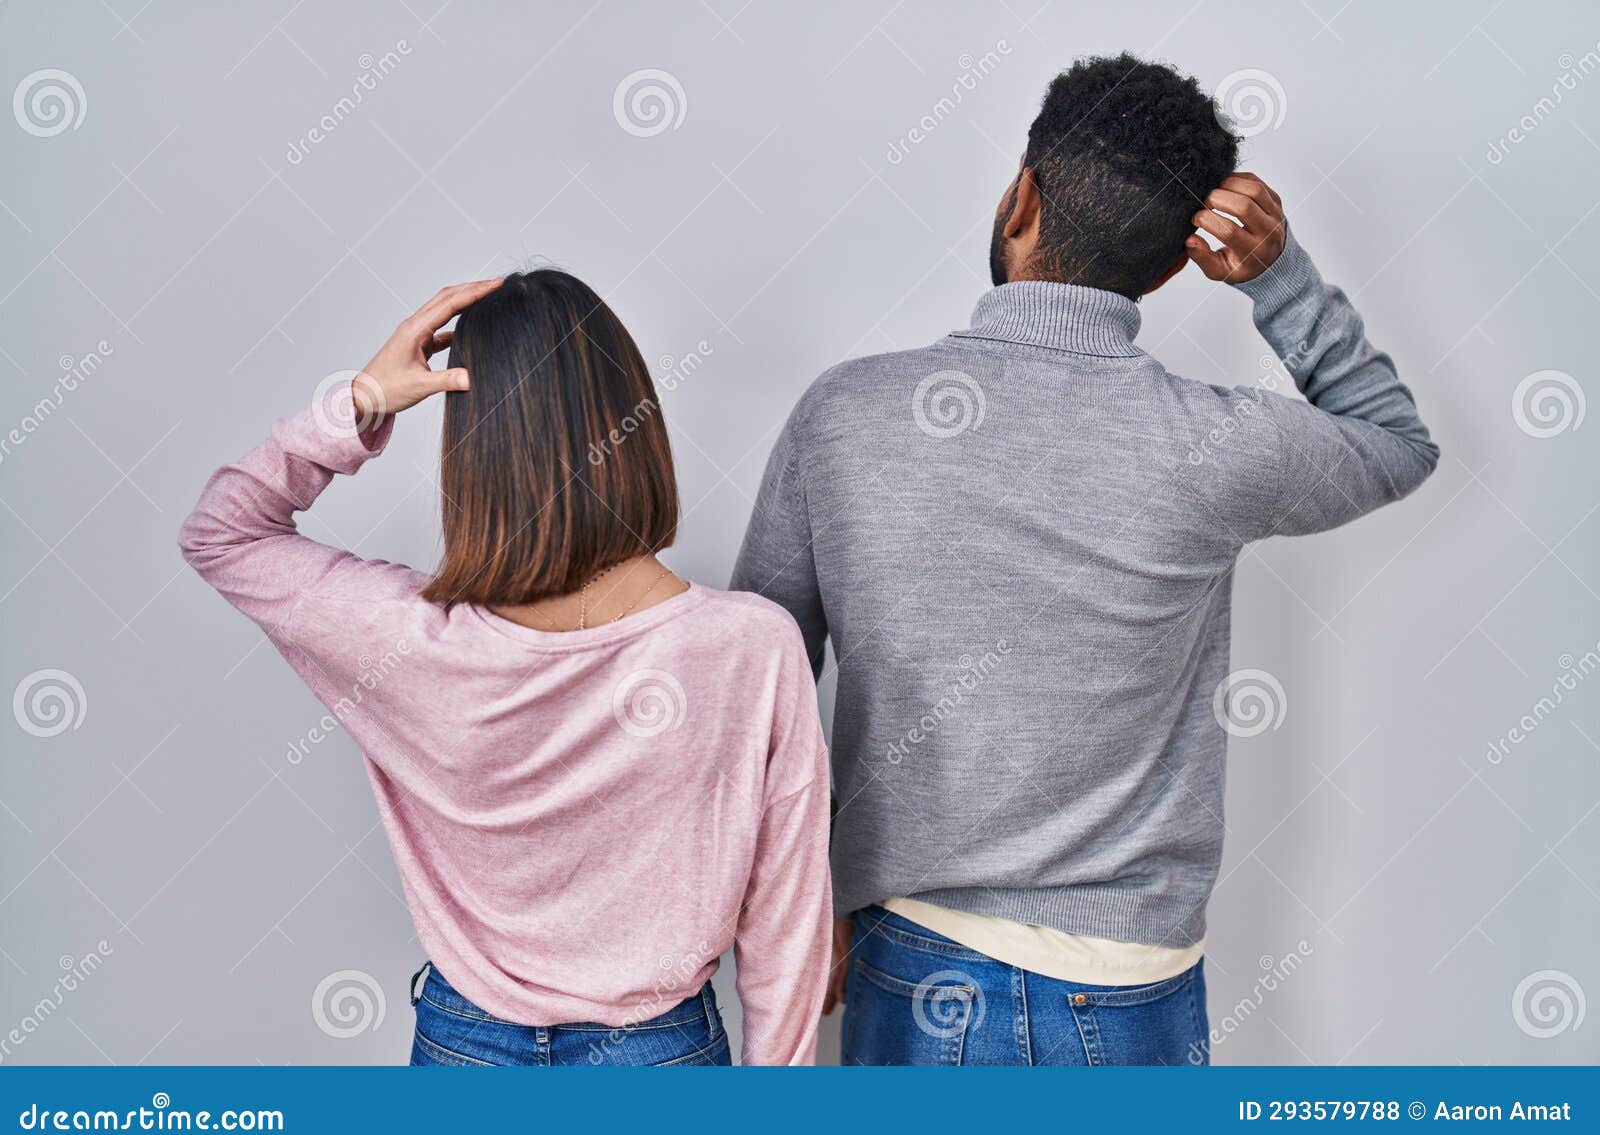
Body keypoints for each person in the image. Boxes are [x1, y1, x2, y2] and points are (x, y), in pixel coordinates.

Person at [732, 53, 1439, 1065]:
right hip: (1134, 989)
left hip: (921, 971)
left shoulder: (846, 415)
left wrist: (801, 897)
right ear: (1170, 270)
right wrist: (1276, 277)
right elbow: (1396, 441)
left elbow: (754, 689)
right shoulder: (1218, 442)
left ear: (1021, 199)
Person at [181, 272, 832, 1066]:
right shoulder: (749, 647)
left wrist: (363, 402)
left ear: (472, 452)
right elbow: (786, 924)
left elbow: (221, 533)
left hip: (465, 1050)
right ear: (636, 424)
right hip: (656, 1057)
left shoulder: (402, 638)